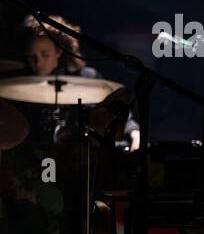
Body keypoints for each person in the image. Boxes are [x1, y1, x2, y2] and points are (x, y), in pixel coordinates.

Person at [17, 13, 139, 149]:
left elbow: (117, 117)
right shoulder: (21, 89)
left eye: (45, 55)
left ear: (59, 51)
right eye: (31, 56)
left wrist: (135, 134)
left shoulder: (86, 77)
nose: (38, 62)